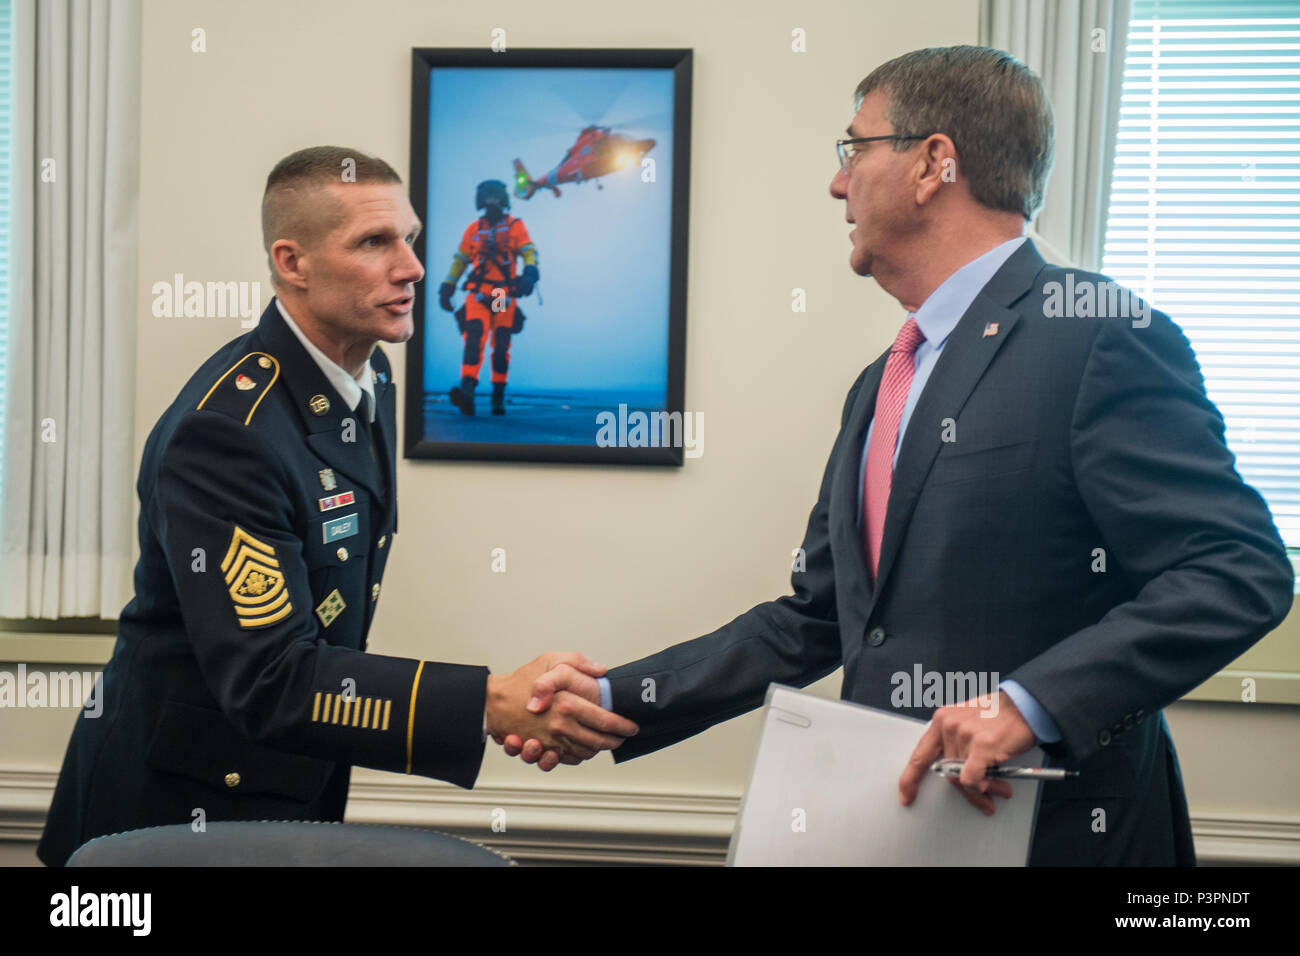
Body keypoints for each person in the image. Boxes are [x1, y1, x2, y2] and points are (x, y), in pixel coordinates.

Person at [502, 47, 1294, 865]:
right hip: (900, 833)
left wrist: (1032, 704)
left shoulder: (1099, 337)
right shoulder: (881, 381)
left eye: (854, 150)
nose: (837, 184)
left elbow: (1238, 571)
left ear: (932, 163)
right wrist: (610, 697)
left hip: (1062, 840)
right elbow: (816, 616)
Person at [36, 147, 635, 867]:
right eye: (374, 243)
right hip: (173, 818)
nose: (411, 266)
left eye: (409, 238)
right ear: (293, 262)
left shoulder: (365, 374)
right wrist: (485, 701)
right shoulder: (225, 433)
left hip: (291, 784)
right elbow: (270, 678)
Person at [439, 179, 539, 416]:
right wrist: (447, 286)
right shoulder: (473, 230)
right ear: (481, 200)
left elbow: (528, 251)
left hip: (501, 295)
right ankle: (467, 392)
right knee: (474, 339)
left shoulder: (515, 226)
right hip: (479, 294)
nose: (491, 202)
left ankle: (497, 397)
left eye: (495, 197)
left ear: (502, 200)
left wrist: (531, 271)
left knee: (501, 346)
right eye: (487, 197)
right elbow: (460, 260)